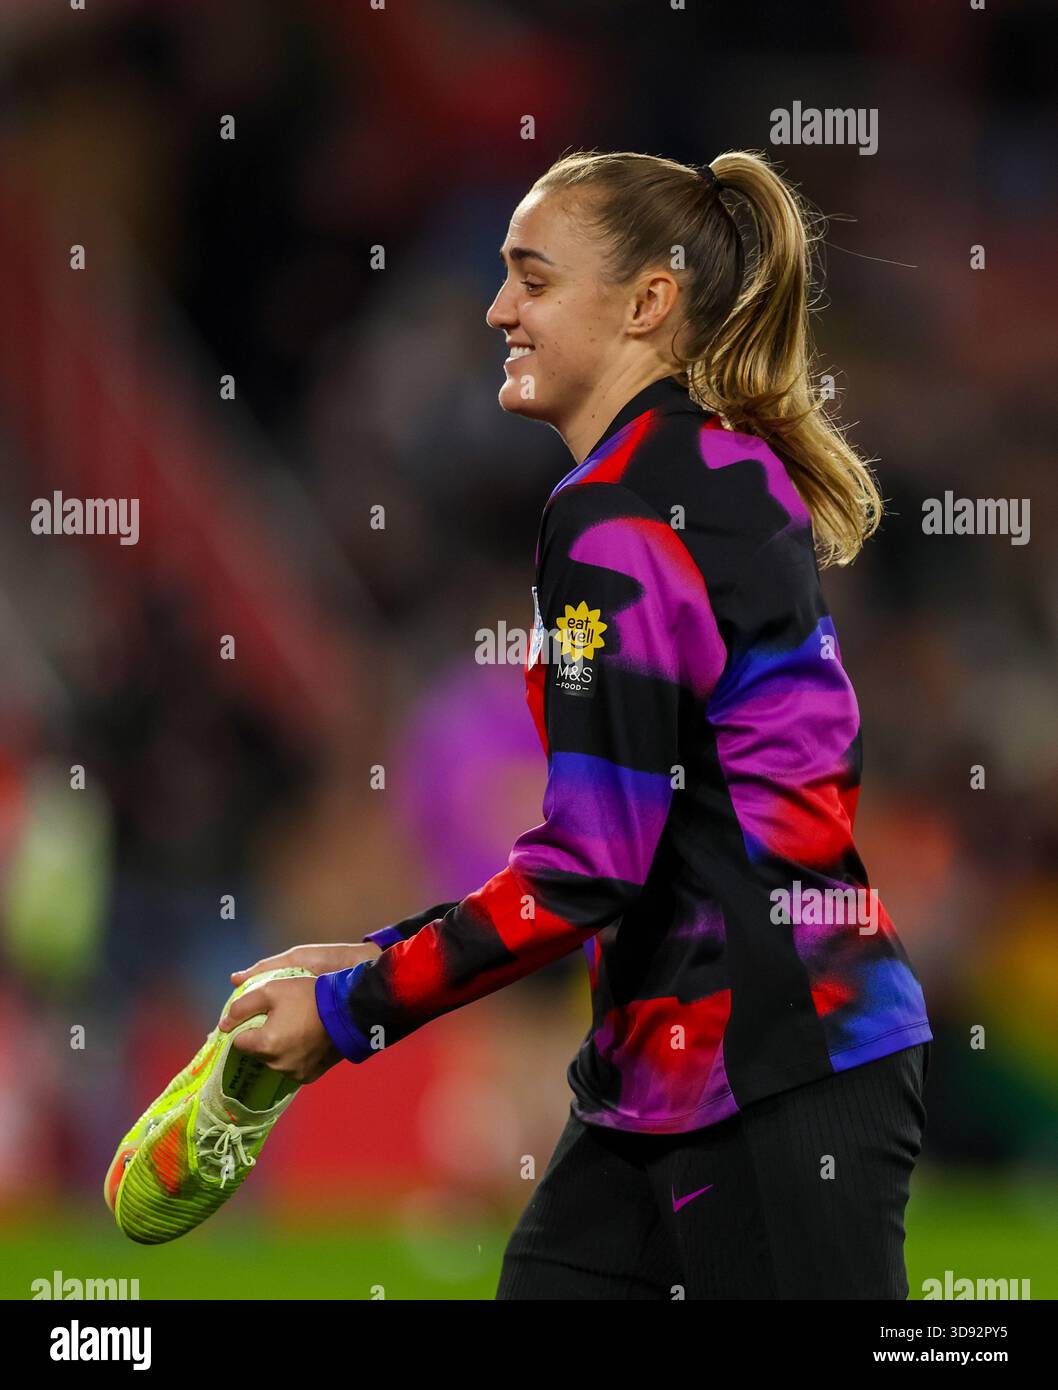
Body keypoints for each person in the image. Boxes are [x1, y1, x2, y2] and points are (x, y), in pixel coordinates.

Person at [219, 149, 932, 1300]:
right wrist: (384, 952)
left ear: (648, 302)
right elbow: (647, 839)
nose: (498, 308)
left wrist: (354, 1010)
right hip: (685, 1070)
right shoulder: (719, 467)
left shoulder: (613, 515)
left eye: (532, 279)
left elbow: (591, 865)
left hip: (761, 1070)